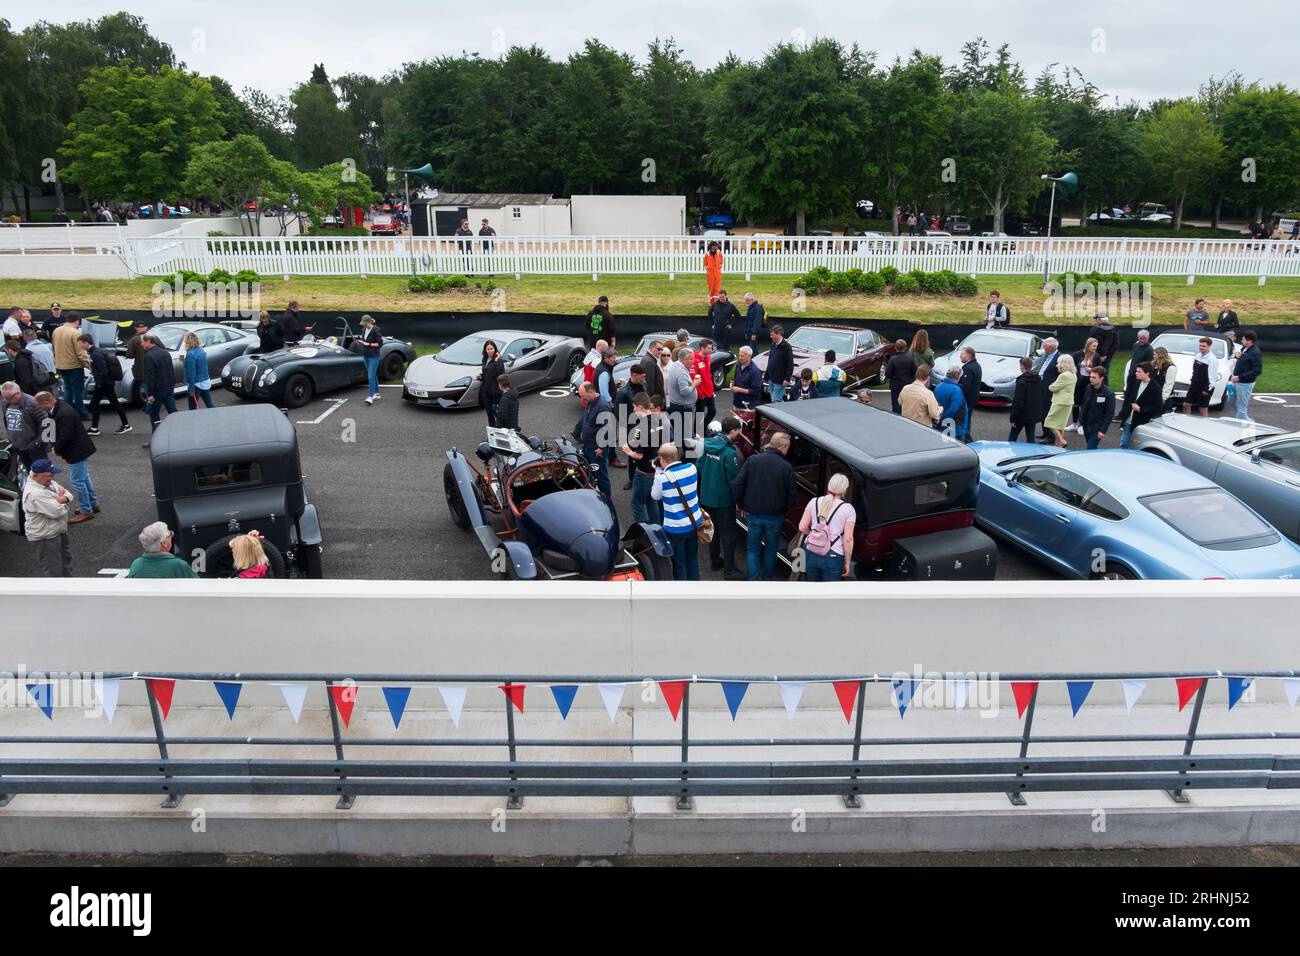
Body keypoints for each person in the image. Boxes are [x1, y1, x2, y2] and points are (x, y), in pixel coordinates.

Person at [730, 431, 795, 581]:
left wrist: (741, 504)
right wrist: (783, 510)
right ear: (783, 447)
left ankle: (754, 580)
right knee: (771, 550)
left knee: (753, 549)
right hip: (775, 517)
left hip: (754, 514)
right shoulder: (787, 467)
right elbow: (791, 494)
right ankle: (768, 579)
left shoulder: (753, 460)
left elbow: (737, 484)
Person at [34, 390, 97, 522]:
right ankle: (91, 504)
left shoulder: (63, 413)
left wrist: (56, 448)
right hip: (80, 449)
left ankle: (87, 511)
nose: (39, 409)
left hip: (76, 451)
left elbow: (66, 435)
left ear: (47, 402)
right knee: (84, 478)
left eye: (39, 406)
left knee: (78, 481)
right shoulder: (60, 408)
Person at [651, 442, 704, 580]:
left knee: (680, 564)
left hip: (675, 528)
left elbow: (655, 496)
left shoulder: (662, 478)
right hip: (694, 523)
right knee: (692, 559)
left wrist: (657, 471)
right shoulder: (692, 468)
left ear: (661, 459)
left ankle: (683, 593)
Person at [699, 416, 743, 578]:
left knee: (713, 530)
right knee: (728, 535)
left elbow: (699, 467)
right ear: (733, 431)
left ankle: (715, 561)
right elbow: (733, 480)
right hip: (724, 501)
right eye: (738, 431)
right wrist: (739, 501)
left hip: (706, 497)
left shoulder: (706, 445)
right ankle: (730, 570)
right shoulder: (729, 452)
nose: (739, 434)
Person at [798, 472, 856, 581]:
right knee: (829, 594)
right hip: (833, 556)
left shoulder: (813, 502)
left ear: (829, 485)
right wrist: (847, 563)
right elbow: (848, 539)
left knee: (812, 590)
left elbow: (802, 527)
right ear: (844, 489)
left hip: (810, 551)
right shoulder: (848, 509)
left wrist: (815, 536)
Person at [23, 458, 73, 577]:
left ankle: (69, 590)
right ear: (35, 476)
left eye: (52, 475)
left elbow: (68, 494)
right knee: (54, 571)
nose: (52, 479)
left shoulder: (45, 482)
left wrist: (63, 499)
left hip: (56, 530)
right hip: (46, 536)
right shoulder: (35, 493)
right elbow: (57, 512)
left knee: (66, 563)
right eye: (48, 476)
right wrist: (64, 503)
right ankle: (57, 595)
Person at [623, 394, 667, 525]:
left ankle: (644, 534)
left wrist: (628, 451)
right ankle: (656, 529)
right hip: (655, 467)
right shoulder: (658, 420)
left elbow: (639, 455)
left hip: (643, 472)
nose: (634, 411)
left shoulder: (642, 427)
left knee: (637, 504)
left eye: (635, 408)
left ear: (640, 407)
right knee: (651, 500)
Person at [3, 382, 52, 486]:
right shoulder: (6, 403)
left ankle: (47, 498)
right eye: (5, 398)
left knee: (44, 476)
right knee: (31, 476)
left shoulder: (33, 403)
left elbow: (48, 425)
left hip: (35, 450)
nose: (7, 401)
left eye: (9, 398)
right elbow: (7, 422)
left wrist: (37, 445)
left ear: (18, 393)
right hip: (19, 448)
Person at [80, 333, 130, 435]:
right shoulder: (94, 352)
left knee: (110, 403)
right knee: (96, 404)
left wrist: (99, 383)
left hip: (104, 384)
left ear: (86, 343)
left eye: (80, 343)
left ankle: (126, 425)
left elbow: (103, 370)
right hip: (104, 383)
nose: (80, 346)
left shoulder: (95, 354)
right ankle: (95, 428)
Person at [52, 310, 90, 419]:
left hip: (60, 365)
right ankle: (82, 413)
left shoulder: (56, 330)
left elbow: (54, 346)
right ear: (77, 321)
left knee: (67, 390)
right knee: (78, 391)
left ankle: (66, 413)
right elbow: (80, 351)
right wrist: (87, 365)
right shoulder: (75, 333)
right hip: (74, 366)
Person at [127, 521, 199, 578]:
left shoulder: (136, 564)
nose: (171, 537)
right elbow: (198, 587)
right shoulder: (179, 566)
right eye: (169, 534)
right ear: (164, 543)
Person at [578, 382, 613, 499]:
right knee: (591, 475)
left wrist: (602, 447)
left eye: (583, 396)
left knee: (601, 476)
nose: (582, 398)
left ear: (591, 392)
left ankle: (606, 500)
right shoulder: (591, 402)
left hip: (596, 450)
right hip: (588, 447)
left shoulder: (602, 406)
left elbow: (609, 428)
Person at [140, 333, 177, 437]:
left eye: (142, 342)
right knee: (172, 411)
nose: (141, 344)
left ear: (148, 341)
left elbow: (150, 377)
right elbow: (170, 370)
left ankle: (157, 437)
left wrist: (150, 394)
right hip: (169, 387)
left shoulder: (149, 356)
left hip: (157, 390)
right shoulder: (165, 353)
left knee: (154, 413)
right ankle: (178, 433)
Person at [1120, 362, 1162, 448]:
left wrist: (1140, 409)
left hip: (1140, 423)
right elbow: (1130, 400)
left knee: (1136, 446)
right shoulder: (1137, 383)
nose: (1136, 373)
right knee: (1123, 444)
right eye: (1136, 371)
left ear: (1147, 373)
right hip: (1129, 420)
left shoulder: (1155, 388)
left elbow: (1157, 408)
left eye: (1139, 372)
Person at [1044, 353, 1077, 448]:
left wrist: (1051, 384)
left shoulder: (1063, 376)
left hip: (1060, 402)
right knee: (1061, 425)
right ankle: (1059, 446)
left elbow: (1052, 388)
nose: (1057, 365)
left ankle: (1061, 441)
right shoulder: (1073, 374)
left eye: (1059, 363)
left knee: (1049, 422)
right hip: (1068, 402)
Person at [1079, 365, 1116, 450]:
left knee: (1090, 448)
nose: (1091, 379)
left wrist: (1103, 430)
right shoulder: (1088, 388)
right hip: (1086, 424)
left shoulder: (1108, 394)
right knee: (1091, 447)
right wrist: (1080, 421)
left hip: (1097, 427)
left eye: (1094, 377)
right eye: (1091, 377)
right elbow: (1084, 405)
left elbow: (1109, 414)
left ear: (1101, 378)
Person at [1182, 336, 1219, 418]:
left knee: (1202, 409)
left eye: (1203, 346)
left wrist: (1207, 390)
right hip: (1194, 386)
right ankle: (1186, 422)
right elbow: (1195, 371)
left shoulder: (1212, 359)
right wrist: (1191, 382)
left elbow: (1213, 377)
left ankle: (1204, 427)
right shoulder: (1197, 356)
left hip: (1205, 388)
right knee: (1186, 405)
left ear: (1209, 346)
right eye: (1200, 345)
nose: (1201, 347)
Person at [1008, 357, 1043, 443]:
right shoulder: (1038, 379)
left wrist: (1013, 418)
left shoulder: (1021, 382)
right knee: (1030, 438)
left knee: (1012, 438)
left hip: (1021, 415)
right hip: (1033, 414)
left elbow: (1018, 401)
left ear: (1022, 366)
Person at [1068, 337, 1100, 432]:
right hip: (1078, 381)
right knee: (1075, 403)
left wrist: (1092, 370)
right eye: (1094, 346)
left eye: (1096, 346)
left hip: (1089, 382)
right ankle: (1074, 424)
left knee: (1085, 403)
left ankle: (1082, 424)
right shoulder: (1078, 354)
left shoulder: (1096, 356)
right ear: (1088, 345)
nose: (1095, 348)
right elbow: (1071, 366)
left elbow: (1100, 370)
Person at [665, 347, 699, 434]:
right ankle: (685, 447)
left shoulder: (675, 364)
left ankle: (676, 445)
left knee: (677, 430)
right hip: (682, 407)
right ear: (684, 360)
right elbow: (684, 391)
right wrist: (695, 384)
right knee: (684, 431)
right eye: (691, 359)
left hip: (676, 404)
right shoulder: (681, 372)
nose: (693, 361)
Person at [1231, 330, 1262, 422]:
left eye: (1243, 339)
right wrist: (1237, 355)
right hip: (1236, 381)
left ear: (1249, 341)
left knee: (1241, 406)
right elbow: (1240, 359)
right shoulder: (1244, 349)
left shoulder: (1255, 353)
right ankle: (1245, 418)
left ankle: (1239, 425)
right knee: (1232, 401)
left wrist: (1240, 377)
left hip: (1244, 384)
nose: (1241, 341)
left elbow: (1257, 370)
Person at [179, 331, 215, 411]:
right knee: (209, 404)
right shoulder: (201, 351)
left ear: (186, 341)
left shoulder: (190, 354)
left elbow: (190, 373)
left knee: (192, 408)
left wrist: (191, 388)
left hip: (196, 384)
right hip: (205, 381)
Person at [1036, 337, 1061, 440]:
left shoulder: (1059, 358)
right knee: (1042, 410)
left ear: (1051, 348)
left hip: (1050, 390)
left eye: (1045, 347)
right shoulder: (1047, 356)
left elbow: (1061, 375)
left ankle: (1050, 436)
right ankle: (1045, 433)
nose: (1043, 349)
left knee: (1047, 412)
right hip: (1042, 387)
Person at [883, 341, 917, 414]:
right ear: (905, 348)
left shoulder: (892, 359)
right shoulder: (910, 359)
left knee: (896, 406)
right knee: (908, 405)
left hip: (896, 387)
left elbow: (888, 374)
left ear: (895, 348)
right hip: (908, 386)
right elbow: (915, 372)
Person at [692, 340, 718, 432]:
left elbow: (708, 374)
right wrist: (699, 393)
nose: (711, 350)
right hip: (701, 394)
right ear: (702, 348)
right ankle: (696, 432)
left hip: (709, 392)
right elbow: (693, 379)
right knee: (699, 414)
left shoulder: (708, 358)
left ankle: (702, 428)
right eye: (709, 348)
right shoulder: (695, 360)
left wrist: (711, 389)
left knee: (712, 411)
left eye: (711, 348)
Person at [934, 366, 967, 436]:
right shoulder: (956, 390)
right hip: (953, 426)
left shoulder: (938, 386)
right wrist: (944, 418)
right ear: (958, 377)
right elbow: (954, 408)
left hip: (939, 422)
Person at [764, 325, 793, 403]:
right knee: (776, 400)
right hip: (771, 379)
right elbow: (770, 360)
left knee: (775, 400)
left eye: (772, 334)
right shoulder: (773, 345)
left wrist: (787, 379)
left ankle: (782, 414)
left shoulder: (786, 347)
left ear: (779, 334)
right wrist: (766, 376)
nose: (771, 337)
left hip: (780, 380)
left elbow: (790, 364)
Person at [358, 316, 383, 406]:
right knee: (373, 374)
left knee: (370, 377)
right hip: (366, 355)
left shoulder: (376, 330)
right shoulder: (364, 330)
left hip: (374, 356)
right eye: (363, 323)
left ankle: (370, 396)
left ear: (369, 322)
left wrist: (367, 344)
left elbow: (380, 344)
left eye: (364, 323)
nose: (363, 325)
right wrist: (361, 342)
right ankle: (377, 393)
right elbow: (364, 341)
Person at [957, 347, 981, 442]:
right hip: (973, 398)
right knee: (967, 419)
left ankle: (967, 441)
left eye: (962, 354)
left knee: (964, 420)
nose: (960, 356)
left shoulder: (968, 368)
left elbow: (965, 386)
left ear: (968, 356)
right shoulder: (976, 365)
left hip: (967, 399)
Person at [1124, 329, 1153, 399]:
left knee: (1135, 395)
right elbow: (1133, 359)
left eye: (1144, 339)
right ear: (1138, 337)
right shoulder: (1135, 345)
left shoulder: (1149, 349)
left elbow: (1147, 365)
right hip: (1131, 374)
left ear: (1148, 338)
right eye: (1141, 338)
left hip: (1140, 377)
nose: (1142, 340)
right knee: (1127, 394)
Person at [1152, 346, 1180, 414]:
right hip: (1154, 395)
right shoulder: (1154, 365)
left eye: (1154, 354)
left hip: (1164, 397)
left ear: (1160, 355)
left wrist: (1163, 398)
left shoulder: (1171, 367)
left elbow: (1168, 384)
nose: (1153, 356)